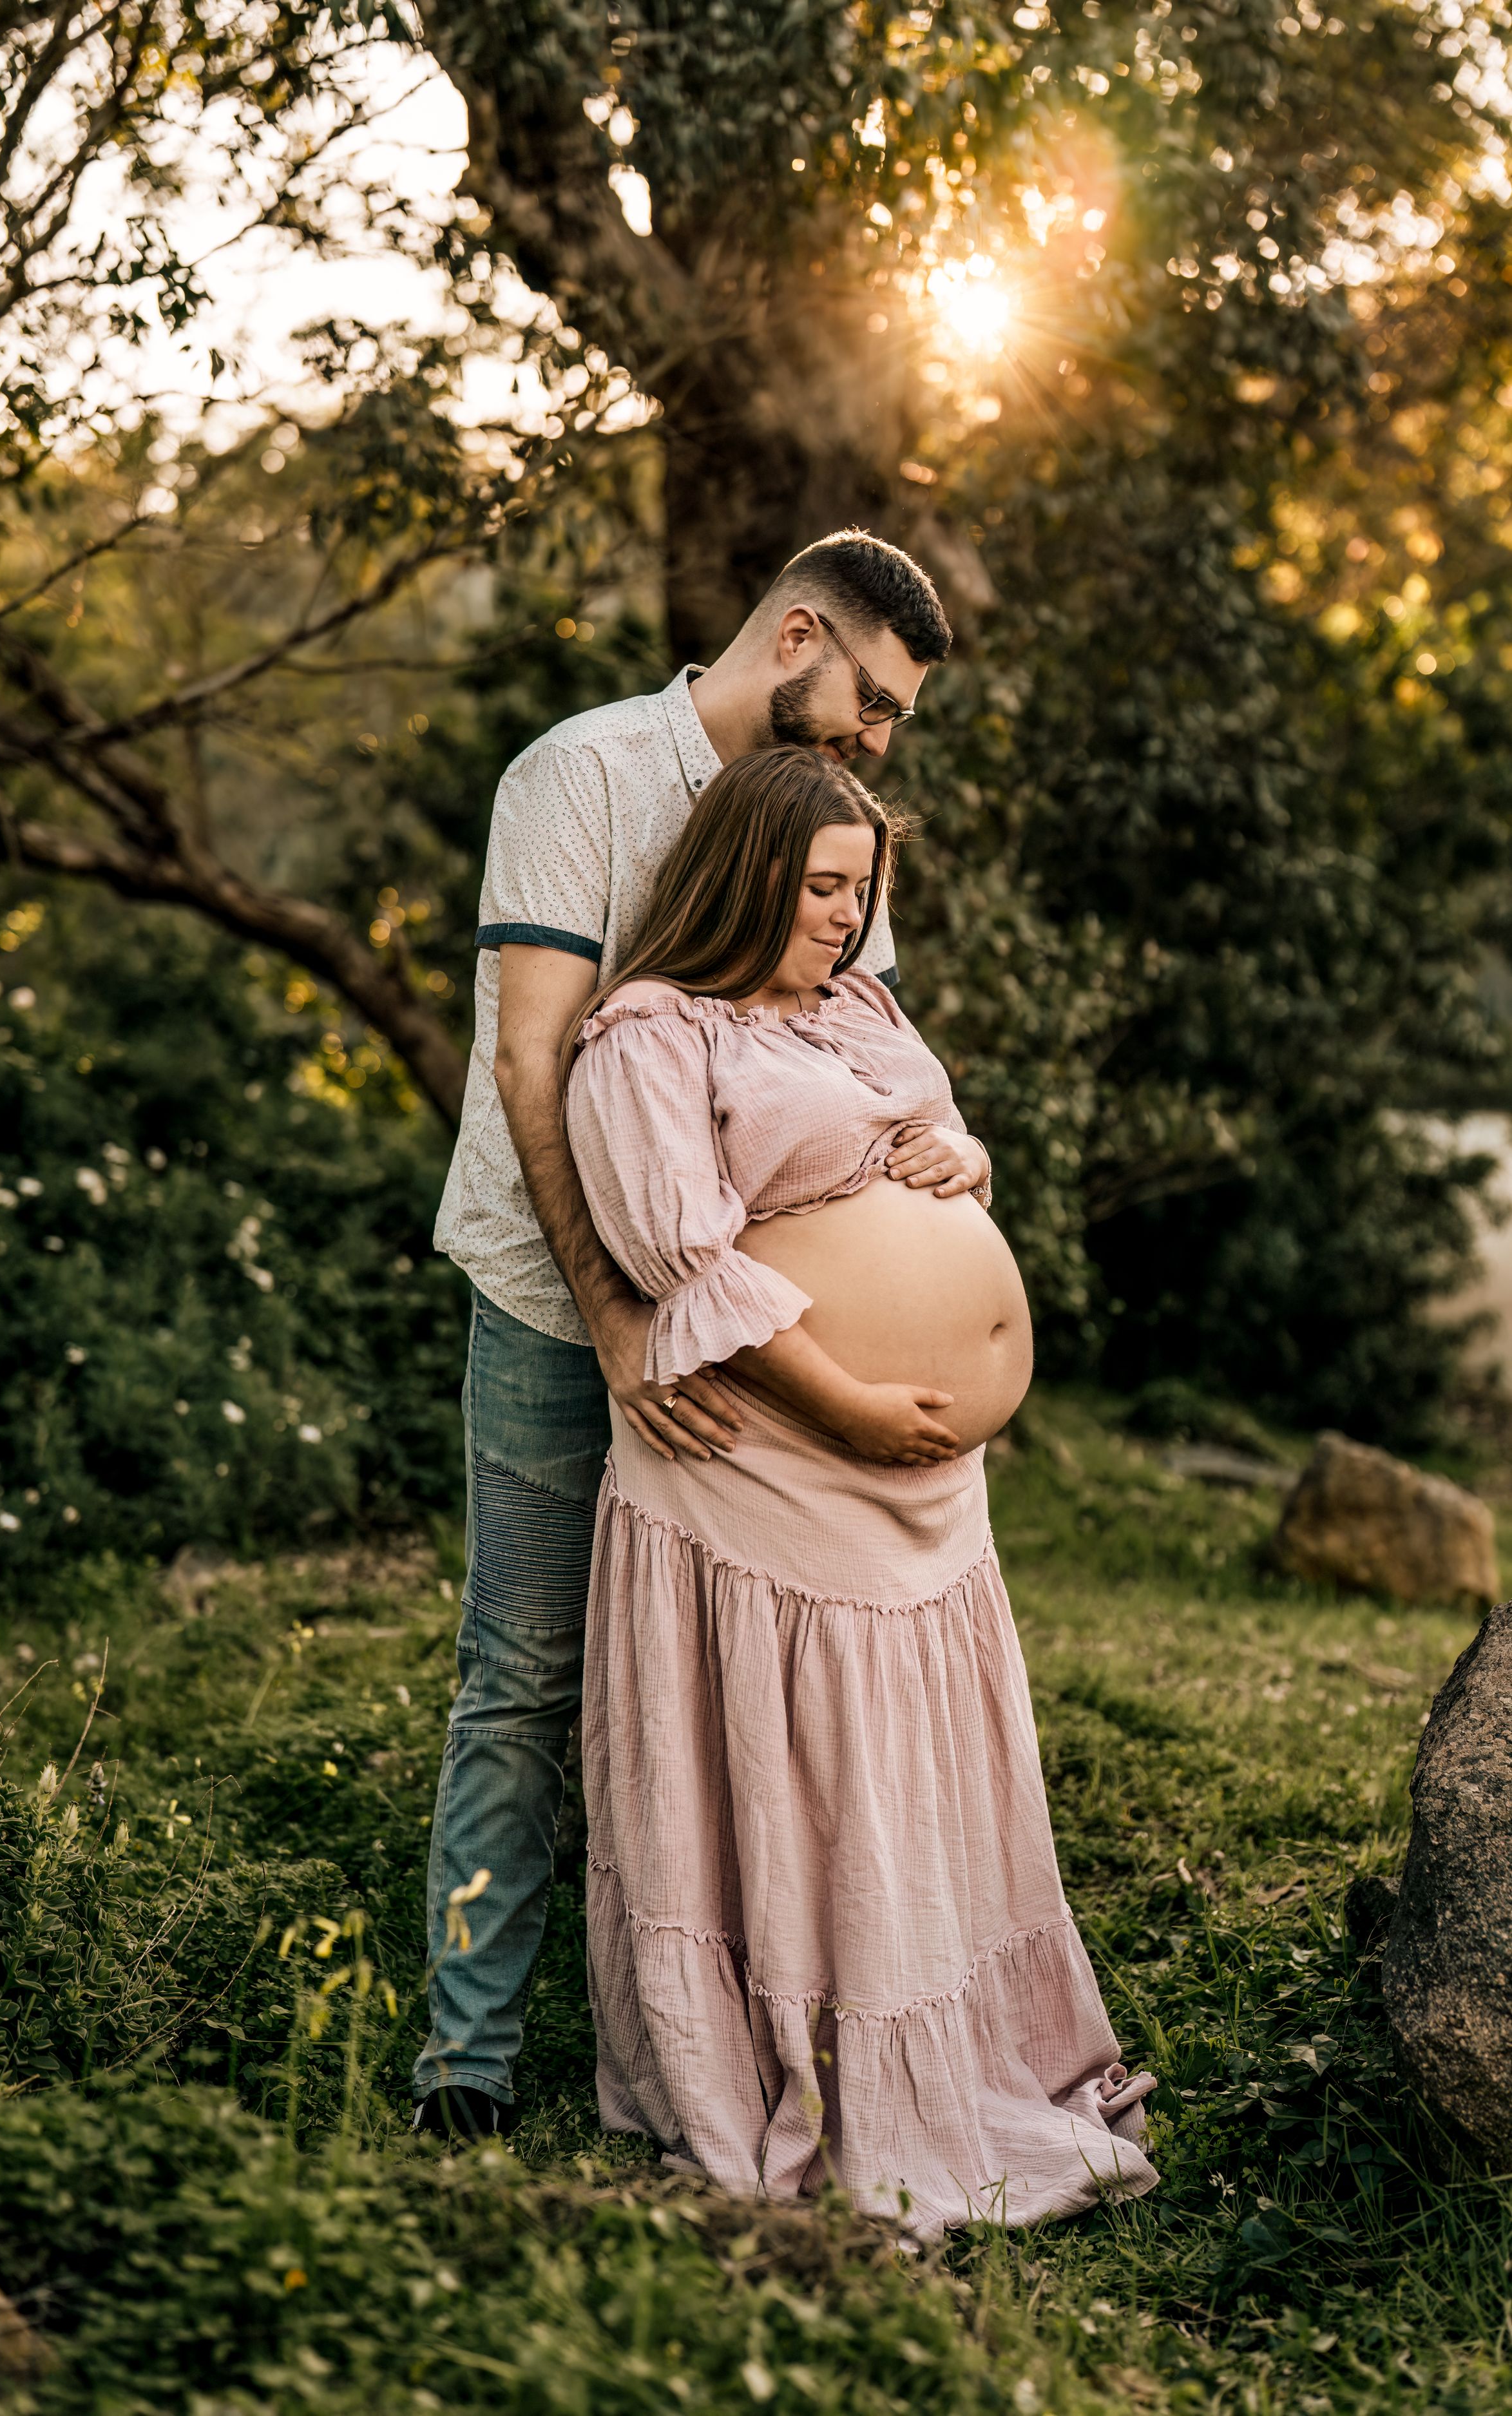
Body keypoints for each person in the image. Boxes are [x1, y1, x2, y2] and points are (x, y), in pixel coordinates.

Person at [562, 748, 1158, 2233]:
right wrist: (848, 1405)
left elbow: (938, 1143)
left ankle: (961, 2052)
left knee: (913, 1765)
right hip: (775, 1464)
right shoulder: (649, 1039)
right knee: (817, 1763)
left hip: (918, 1491)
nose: (845, 917)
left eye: (859, 888)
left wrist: (957, 1155)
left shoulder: (855, 1012)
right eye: (822, 886)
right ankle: (819, 2066)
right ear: (746, 873)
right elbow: (679, 1259)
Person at [415, 531, 963, 2136]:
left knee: (736, 1697)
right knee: (521, 1679)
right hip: (557, 1301)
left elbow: (862, 1061)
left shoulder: (843, 828)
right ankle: (467, 2058)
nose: (871, 738)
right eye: (866, 697)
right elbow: (531, 1068)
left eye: (890, 721)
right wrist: (614, 1329)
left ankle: (713, 2043)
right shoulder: (579, 776)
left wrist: (941, 1169)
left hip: (765, 1337)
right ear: (795, 633)